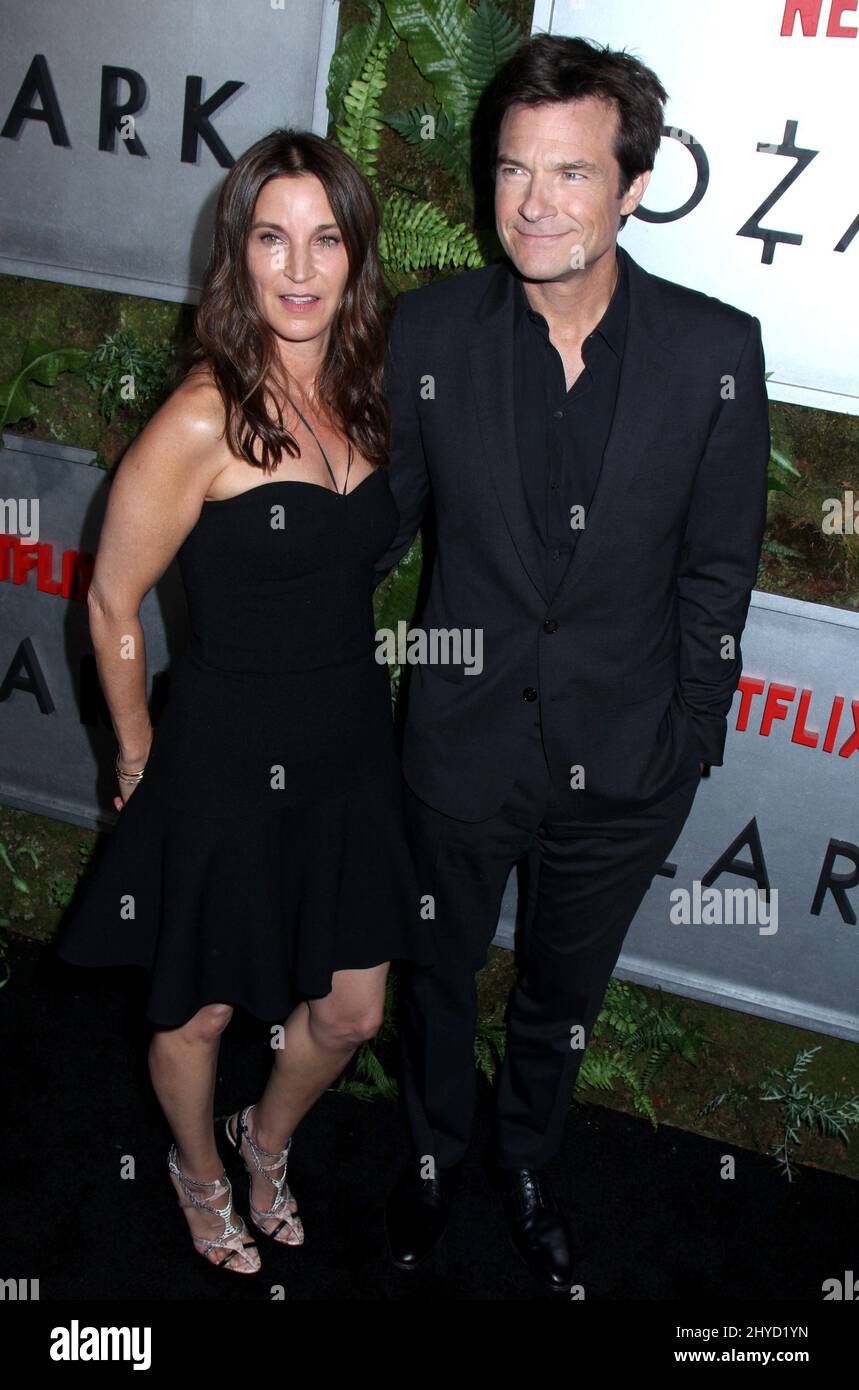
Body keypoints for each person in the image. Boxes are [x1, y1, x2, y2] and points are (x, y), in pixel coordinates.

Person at [376, 35, 770, 1294]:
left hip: (626, 762)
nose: (533, 202)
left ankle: (529, 1161)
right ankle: (434, 1158)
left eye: (569, 173)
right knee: (435, 976)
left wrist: (689, 736)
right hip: (458, 746)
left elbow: (719, 571)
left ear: (633, 187)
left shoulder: (714, 351)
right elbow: (379, 525)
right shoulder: (428, 330)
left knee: (561, 996)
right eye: (510, 171)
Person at [57, 128, 435, 1276]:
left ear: (358, 257)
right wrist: (134, 754)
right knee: (204, 1011)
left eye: (327, 238)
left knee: (353, 1012)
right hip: (220, 754)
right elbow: (112, 596)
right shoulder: (200, 417)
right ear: (239, 254)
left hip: (347, 754)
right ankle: (196, 1170)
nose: (301, 266)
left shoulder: (368, 399)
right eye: (273, 237)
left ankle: (262, 1138)